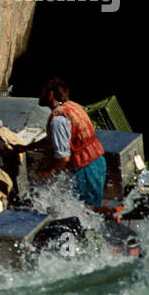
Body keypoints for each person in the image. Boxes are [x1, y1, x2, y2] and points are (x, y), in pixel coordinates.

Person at [32, 78, 106, 206]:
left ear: (50, 94)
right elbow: (53, 140)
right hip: (97, 161)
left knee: (87, 211)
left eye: (43, 92)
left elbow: (64, 158)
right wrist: (26, 147)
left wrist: (47, 172)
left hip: (85, 169)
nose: (40, 95)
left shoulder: (58, 120)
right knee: (92, 207)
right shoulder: (72, 106)